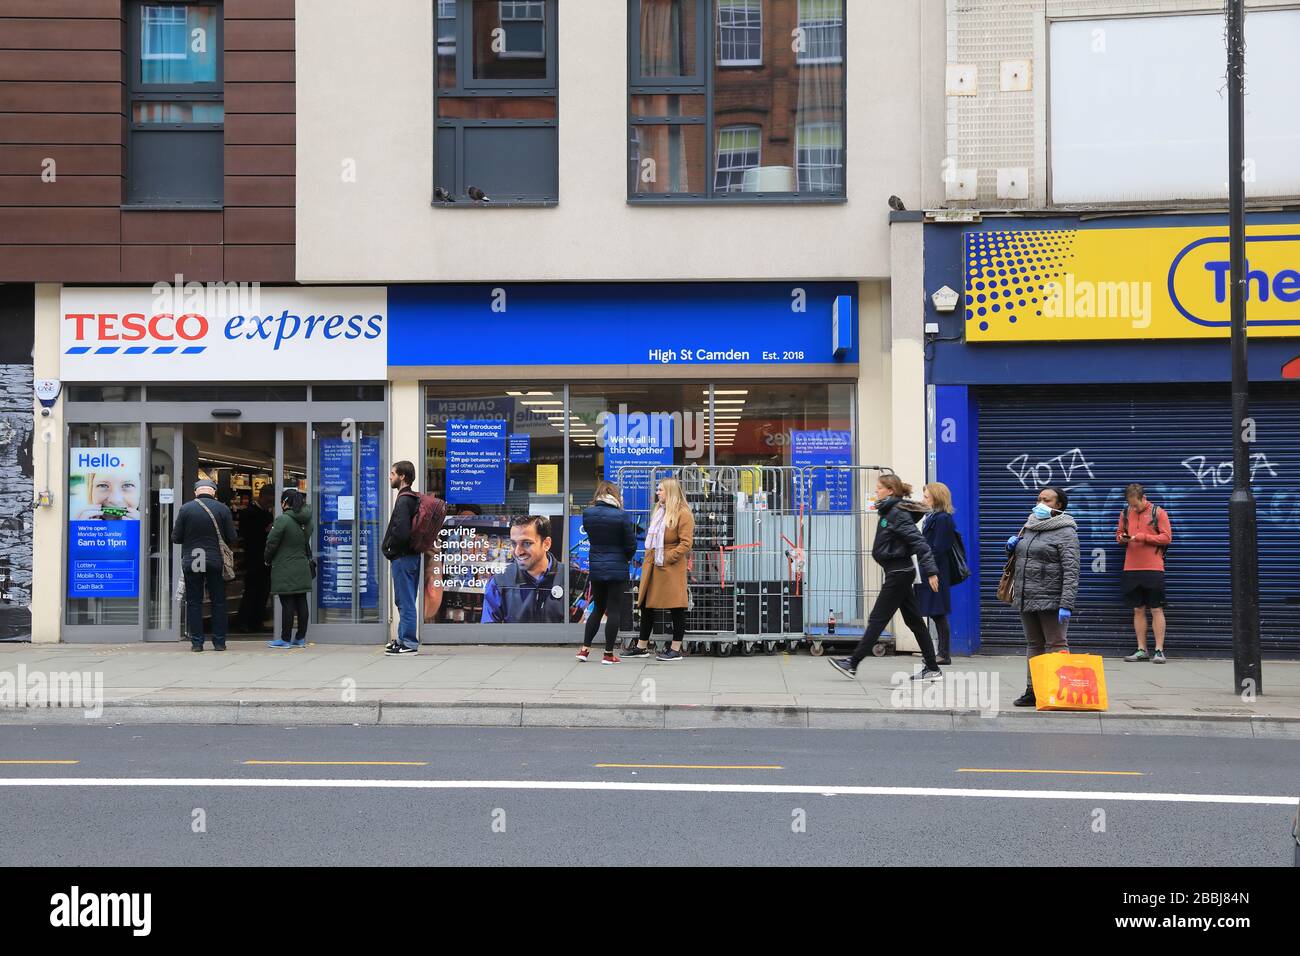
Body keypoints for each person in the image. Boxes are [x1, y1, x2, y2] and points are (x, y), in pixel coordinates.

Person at [828, 475, 943, 682]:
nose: (876, 491)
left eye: (879, 488)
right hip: (899, 572)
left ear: (890, 491)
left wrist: (932, 572)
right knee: (915, 622)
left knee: (877, 619)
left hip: (899, 574)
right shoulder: (890, 511)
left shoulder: (897, 512)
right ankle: (932, 668)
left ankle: (852, 663)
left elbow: (920, 543)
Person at [1006, 486, 1080, 707]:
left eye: (1046, 500)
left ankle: (1059, 691)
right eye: (1039, 499)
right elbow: (1024, 557)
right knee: (1034, 644)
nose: (1040, 503)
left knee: (1056, 643)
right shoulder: (1029, 526)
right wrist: (1011, 547)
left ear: (1058, 506)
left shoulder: (1066, 531)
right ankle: (1033, 690)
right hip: (1026, 595)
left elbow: (1072, 569)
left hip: (1051, 598)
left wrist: (1066, 603)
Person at [628, 478, 694, 663]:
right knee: (646, 604)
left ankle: (675, 648)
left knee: (676, 607)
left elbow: (686, 543)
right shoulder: (659, 511)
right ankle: (642, 646)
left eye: (661, 490)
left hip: (670, 567)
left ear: (670, 492)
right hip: (653, 564)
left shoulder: (683, 514)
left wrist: (667, 557)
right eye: (658, 490)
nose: (657, 493)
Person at [172, 478, 237, 652]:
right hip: (216, 560)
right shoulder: (222, 509)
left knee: (194, 601)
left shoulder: (186, 509)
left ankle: (197, 643)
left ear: (196, 492)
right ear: (214, 492)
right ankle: (219, 642)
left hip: (193, 561)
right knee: (218, 601)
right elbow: (232, 537)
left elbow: (176, 537)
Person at [576, 481, 637, 664]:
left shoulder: (588, 514)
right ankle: (608, 654)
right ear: (615, 495)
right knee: (614, 610)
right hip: (617, 568)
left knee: (598, 608)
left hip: (596, 566)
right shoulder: (621, 516)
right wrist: (624, 557)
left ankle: (585, 649)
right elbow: (631, 544)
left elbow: (592, 535)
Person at [1117, 483, 1173, 663]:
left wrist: (1144, 537)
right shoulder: (1125, 513)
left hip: (1153, 568)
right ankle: (1142, 649)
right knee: (1138, 609)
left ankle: (1159, 650)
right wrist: (1121, 538)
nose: (1133, 508)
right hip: (1131, 567)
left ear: (1143, 498)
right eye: (1130, 504)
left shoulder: (1158, 513)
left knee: (1156, 608)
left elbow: (1167, 537)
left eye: (1136, 504)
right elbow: (1119, 534)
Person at [481, 515, 565, 624]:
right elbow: (488, 632)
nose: (517, 552)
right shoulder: (499, 581)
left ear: (546, 544)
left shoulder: (570, 578)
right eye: (513, 544)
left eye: (527, 543)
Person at [381, 460, 422, 656]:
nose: (390, 476)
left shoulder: (404, 500)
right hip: (410, 557)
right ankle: (401, 639)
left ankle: (409, 643)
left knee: (405, 601)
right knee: (404, 600)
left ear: (402, 476)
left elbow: (402, 532)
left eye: (392, 473)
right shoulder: (411, 498)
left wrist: (390, 549)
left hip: (403, 558)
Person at [264, 489, 313, 648]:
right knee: (301, 602)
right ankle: (300, 638)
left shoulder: (283, 520)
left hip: (285, 566)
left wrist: (267, 559)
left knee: (288, 603)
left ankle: (285, 639)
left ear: (285, 501)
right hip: (302, 564)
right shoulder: (307, 520)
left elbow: (271, 543)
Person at [916, 481, 957, 665]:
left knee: (938, 612)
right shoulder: (932, 516)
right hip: (929, 568)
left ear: (936, 498)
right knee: (933, 611)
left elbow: (940, 547)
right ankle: (934, 652)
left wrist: (932, 572)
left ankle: (944, 654)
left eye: (926, 496)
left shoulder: (943, 519)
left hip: (936, 570)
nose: (923, 499)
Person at [236, 487, 275, 632]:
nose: (271, 504)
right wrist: (266, 531)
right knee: (252, 591)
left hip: (265, 558)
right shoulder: (248, 513)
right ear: (263, 497)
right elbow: (248, 536)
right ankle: (244, 622)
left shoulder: (267, 513)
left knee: (263, 591)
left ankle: (256, 621)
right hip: (253, 558)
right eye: (270, 500)